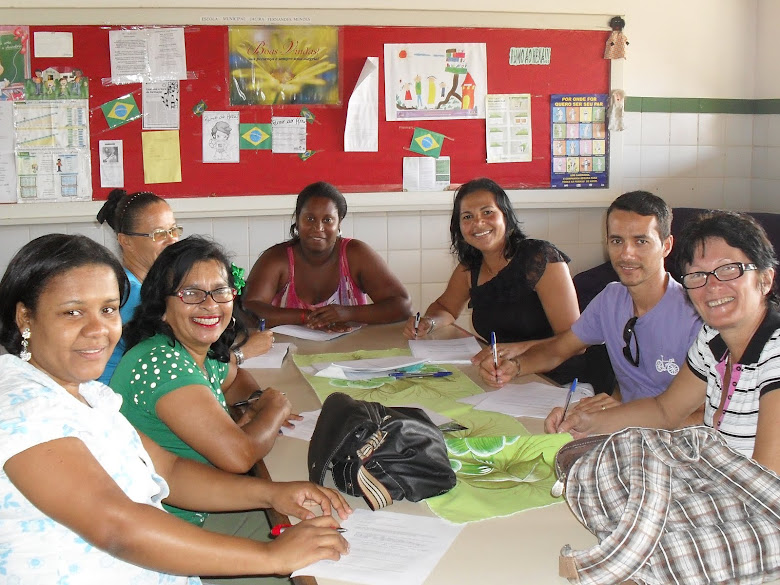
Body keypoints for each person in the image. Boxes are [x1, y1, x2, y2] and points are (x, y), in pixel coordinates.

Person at [0, 233, 350, 583]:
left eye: (107, 309)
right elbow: (116, 526)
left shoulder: (86, 394)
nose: (98, 329)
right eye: (72, 312)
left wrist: (274, 493)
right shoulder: (25, 409)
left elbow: (169, 470)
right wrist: (271, 555)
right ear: (25, 318)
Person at [546, 211, 780, 474]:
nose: (712, 287)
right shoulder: (712, 341)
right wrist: (589, 421)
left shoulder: (775, 356)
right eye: (698, 275)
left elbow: (765, 486)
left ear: (766, 279)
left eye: (728, 270)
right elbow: (665, 410)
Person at [111, 236, 297, 526]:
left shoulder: (192, 350)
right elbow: (240, 456)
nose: (210, 306)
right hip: (172, 523)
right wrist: (274, 407)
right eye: (191, 294)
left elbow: (234, 377)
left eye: (220, 291)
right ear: (162, 305)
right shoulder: (161, 362)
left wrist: (254, 401)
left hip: (202, 504)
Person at [475, 191, 702, 408]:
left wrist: (623, 414)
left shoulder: (695, 314)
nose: (626, 254)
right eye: (616, 241)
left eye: (641, 241)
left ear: (667, 246)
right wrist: (514, 367)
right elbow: (560, 349)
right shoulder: (611, 299)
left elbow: (704, 416)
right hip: (624, 426)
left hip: (675, 437)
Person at [403, 177, 583, 384]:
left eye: (487, 212)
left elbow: (576, 342)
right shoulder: (470, 268)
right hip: (501, 376)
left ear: (505, 216)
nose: (478, 223)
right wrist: (429, 322)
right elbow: (446, 307)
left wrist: (518, 349)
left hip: (558, 380)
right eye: (467, 216)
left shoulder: (540, 258)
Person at [96, 189, 272, 384]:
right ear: (125, 241)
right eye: (158, 234)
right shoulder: (134, 296)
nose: (171, 240)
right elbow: (179, 366)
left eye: (173, 230)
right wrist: (242, 353)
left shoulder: (146, 284)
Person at [243, 181, 412, 330]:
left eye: (327, 220)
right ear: (297, 219)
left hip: (352, 355)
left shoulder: (356, 254)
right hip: (289, 354)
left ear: (339, 223)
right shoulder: (277, 259)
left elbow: (402, 306)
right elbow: (246, 310)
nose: (318, 227)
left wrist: (347, 313)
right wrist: (306, 316)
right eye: (309, 218)